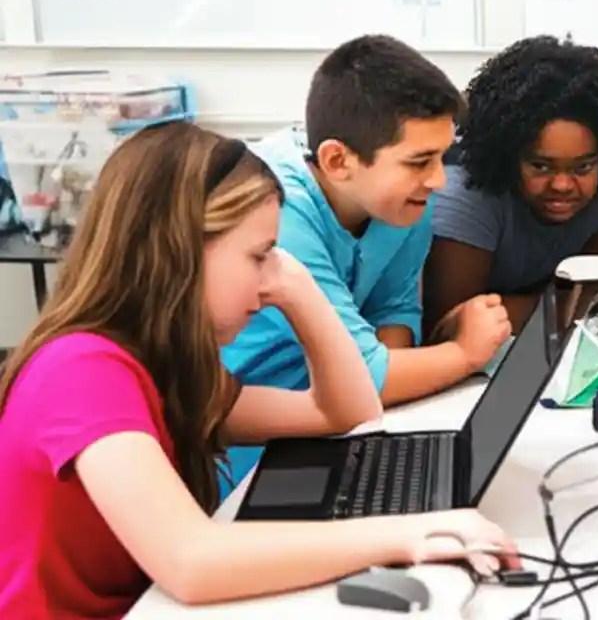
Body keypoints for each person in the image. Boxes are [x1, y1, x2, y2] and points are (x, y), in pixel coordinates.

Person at [0, 123, 518, 619]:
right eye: (259, 256)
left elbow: (347, 412)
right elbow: (190, 562)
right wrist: (409, 534)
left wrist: (298, 288)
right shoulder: (83, 371)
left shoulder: (165, 367)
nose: (270, 274)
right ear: (181, 251)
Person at [220, 35, 511, 492]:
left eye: (441, 157)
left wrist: (389, 396)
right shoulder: (275, 207)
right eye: (419, 161)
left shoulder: (404, 198)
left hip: (344, 421)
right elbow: (367, 376)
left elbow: (393, 309)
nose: (438, 180)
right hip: (251, 449)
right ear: (338, 160)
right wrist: (465, 354)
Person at [422, 35, 598, 338]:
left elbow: (584, 297)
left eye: (583, 167)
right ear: (508, 157)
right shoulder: (463, 196)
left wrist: (556, 307)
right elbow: (449, 327)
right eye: (541, 166)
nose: (562, 185)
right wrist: (562, 306)